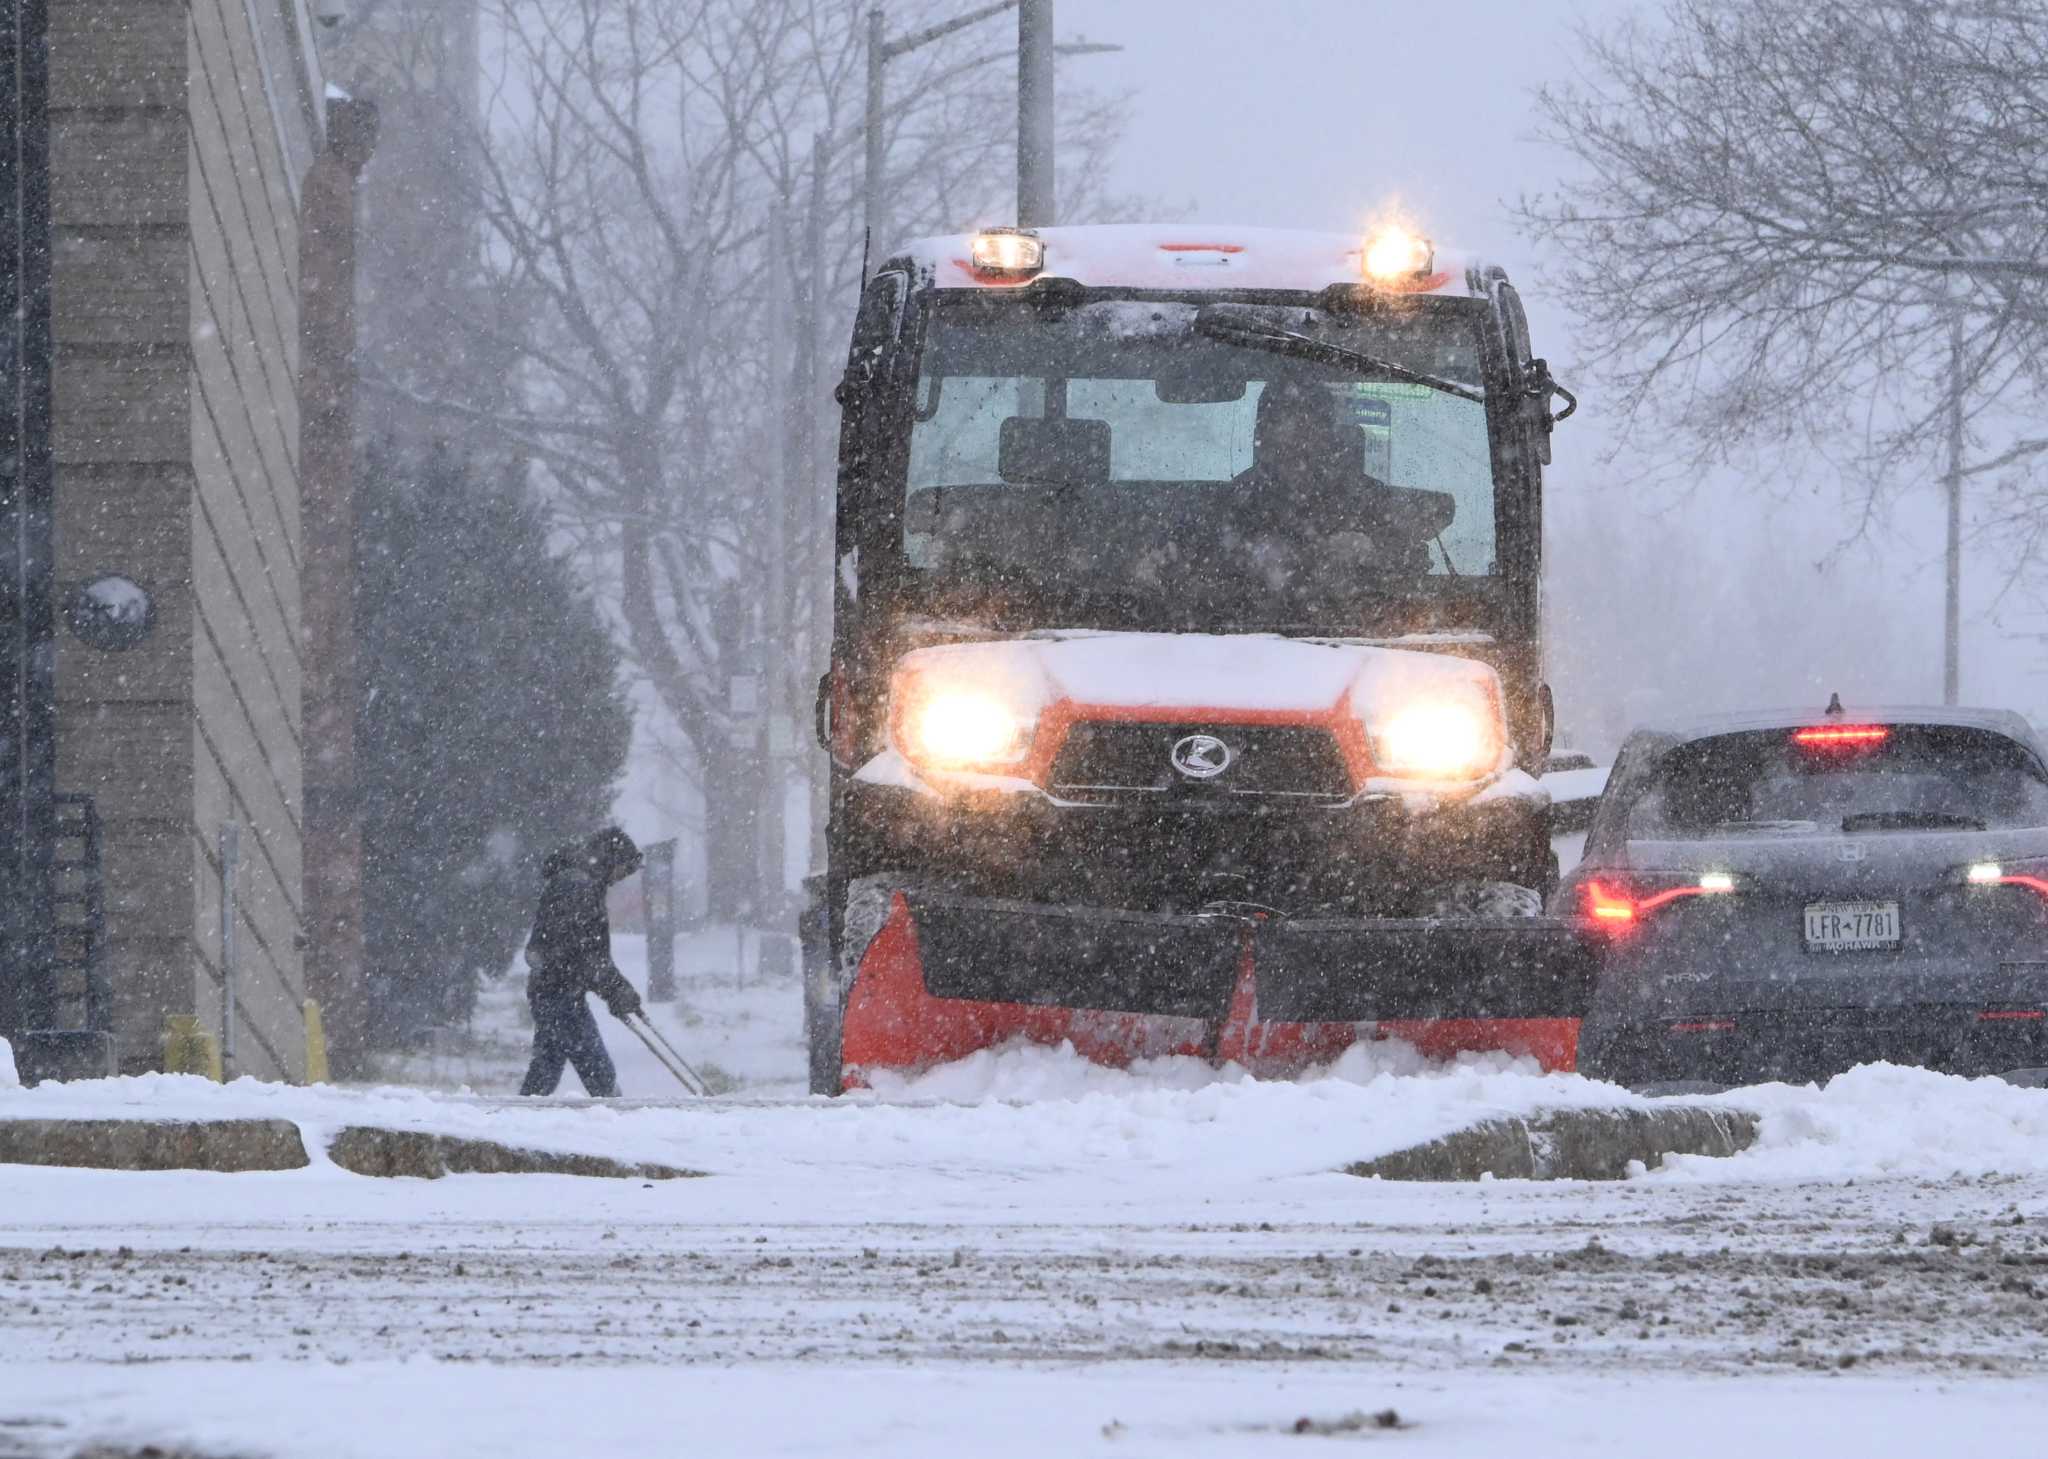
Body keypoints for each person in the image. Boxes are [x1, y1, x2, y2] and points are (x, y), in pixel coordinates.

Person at [518, 826, 645, 1097]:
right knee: (598, 1071)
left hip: (552, 990)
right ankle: (618, 1123)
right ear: (611, 859)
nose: (618, 879)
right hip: (560, 993)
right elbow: (585, 954)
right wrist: (616, 989)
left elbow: (583, 954)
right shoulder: (578, 887)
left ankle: (511, 1124)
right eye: (623, 870)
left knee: (546, 1069)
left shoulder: (577, 882)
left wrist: (614, 988)